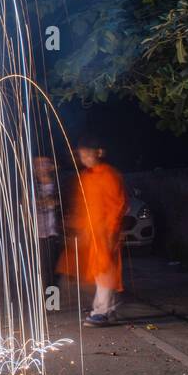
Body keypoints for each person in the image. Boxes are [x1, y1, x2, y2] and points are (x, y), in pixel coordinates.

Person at [58, 136, 128, 326]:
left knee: (104, 270)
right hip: (91, 232)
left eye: (88, 155)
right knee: (100, 272)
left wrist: (111, 232)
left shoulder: (109, 175)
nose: (85, 159)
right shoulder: (87, 177)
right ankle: (109, 309)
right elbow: (84, 205)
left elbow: (117, 206)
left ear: (99, 152)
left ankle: (101, 310)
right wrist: (80, 228)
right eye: (82, 156)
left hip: (105, 232)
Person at [33, 155, 62, 305]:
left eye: (44, 164)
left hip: (54, 234)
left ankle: (52, 302)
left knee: (53, 271)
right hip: (37, 234)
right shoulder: (31, 186)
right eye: (37, 164)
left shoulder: (58, 185)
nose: (41, 167)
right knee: (41, 270)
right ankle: (40, 301)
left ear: (52, 166)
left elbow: (63, 204)